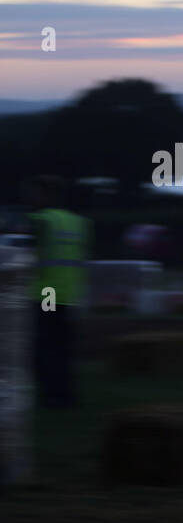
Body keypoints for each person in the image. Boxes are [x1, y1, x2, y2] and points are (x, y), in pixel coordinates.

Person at [26, 175, 91, 408]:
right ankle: (65, 394)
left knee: (43, 345)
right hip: (70, 293)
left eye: (35, 192)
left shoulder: (40, 220)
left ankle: (50, 394)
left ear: (47, 194)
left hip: (46, 292)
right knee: (62, 347)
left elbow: (25, 254)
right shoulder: (77, 222)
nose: (31, 197)